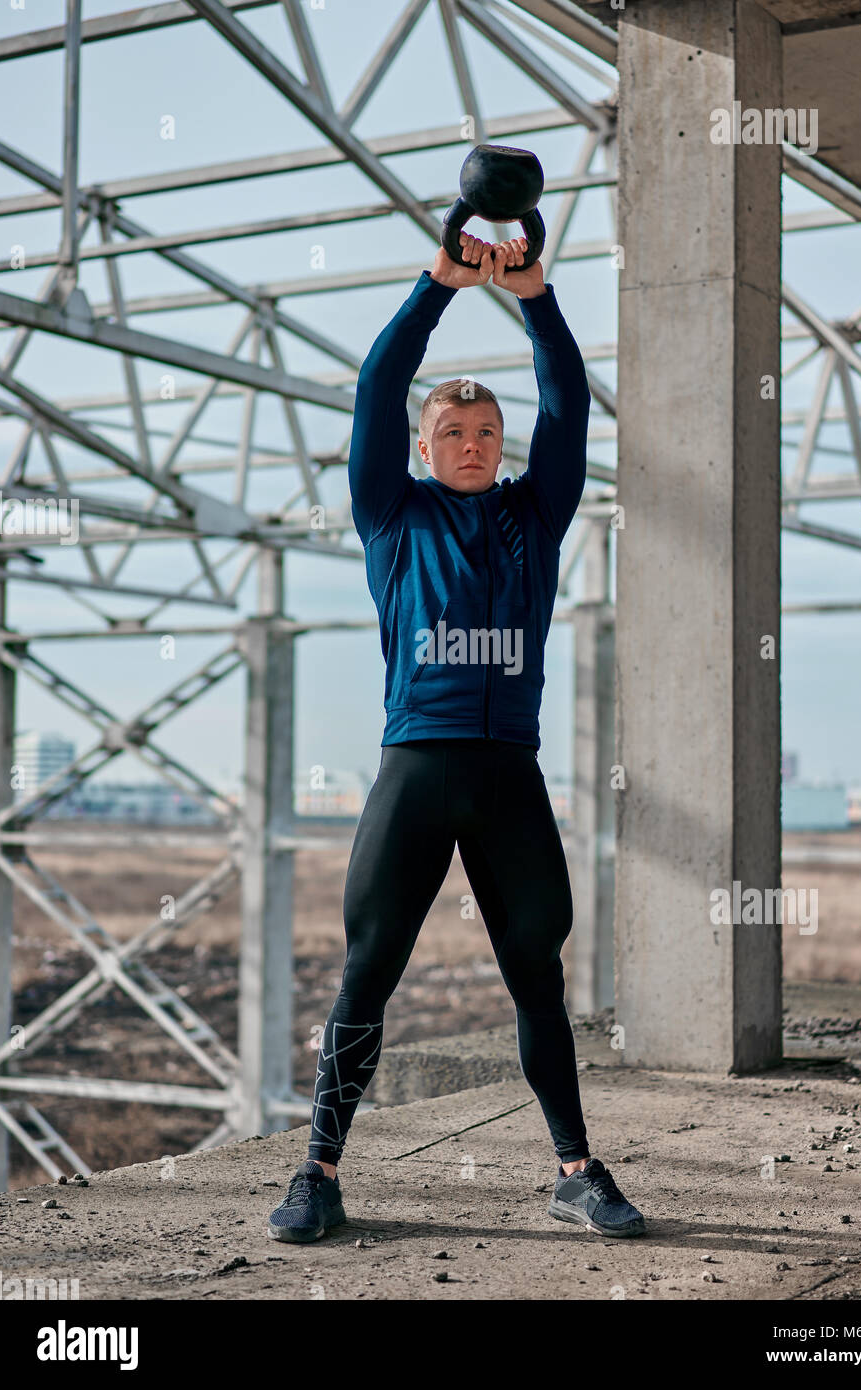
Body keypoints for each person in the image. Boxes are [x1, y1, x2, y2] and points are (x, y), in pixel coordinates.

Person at [269, 232, 645, 1244]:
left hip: (509, 773)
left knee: (537, 969)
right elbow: (376, 379)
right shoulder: (390, 514)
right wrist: (439, 284)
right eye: (451, 427)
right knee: (368, 970)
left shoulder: (538, 511)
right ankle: (317, 1171)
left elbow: (566, 398)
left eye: (485, 426)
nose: (472, 439)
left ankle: (574, 1169)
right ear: (424, 446)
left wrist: (534, 296)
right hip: (418, 767)